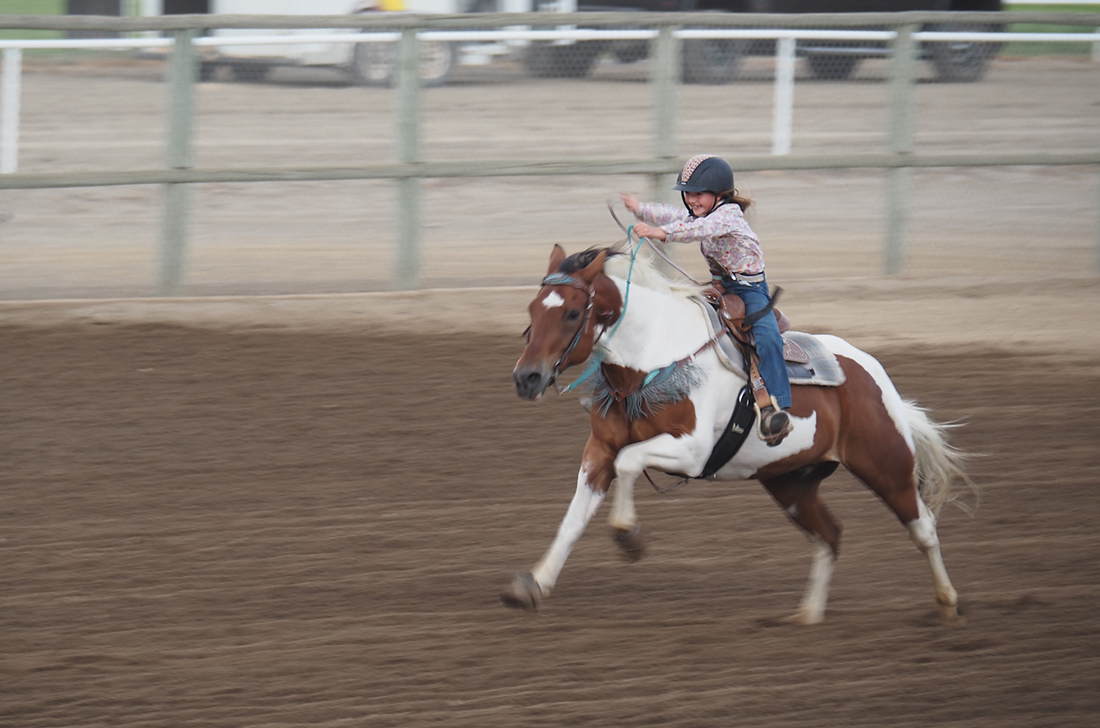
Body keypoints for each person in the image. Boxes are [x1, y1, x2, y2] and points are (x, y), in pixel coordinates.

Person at [620, 154, 792, 446]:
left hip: (750, 291)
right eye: (688, 194)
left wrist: (659, 234)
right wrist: (641, 209)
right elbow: (673, 215)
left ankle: (778, 406)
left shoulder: (727, 216)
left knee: (767, 338)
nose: (691, 200)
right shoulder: (700, 214)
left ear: (719, 194)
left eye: (698, 194)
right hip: (718, 288)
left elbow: (697, 230)